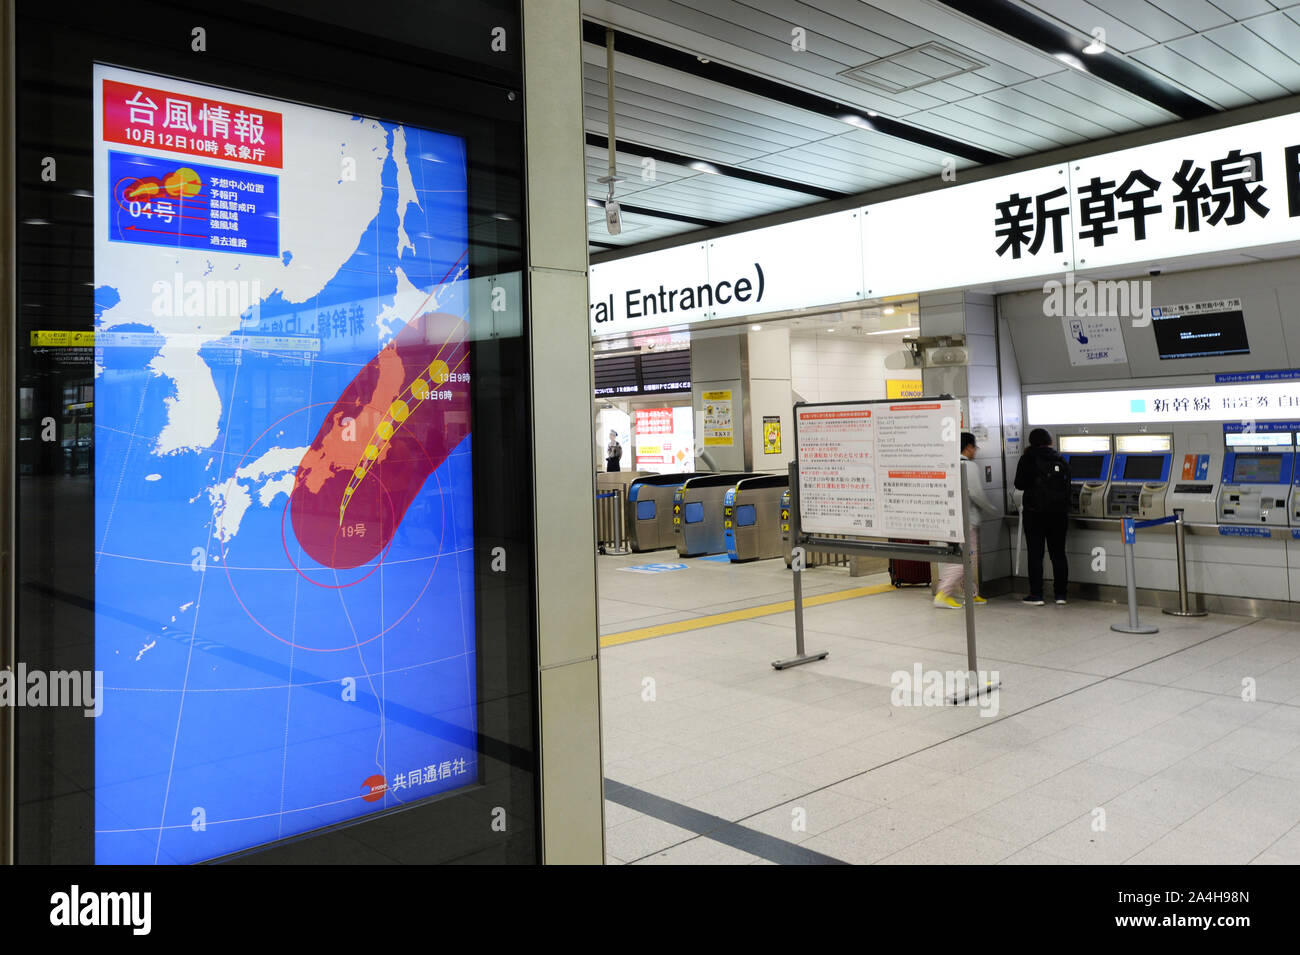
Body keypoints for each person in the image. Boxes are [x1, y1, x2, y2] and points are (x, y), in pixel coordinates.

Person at [934, 432, 1000, 609]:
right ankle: (943, 593)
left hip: (950, 519)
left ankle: (971, 593)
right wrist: (992, 510)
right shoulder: (968, 466)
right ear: (969, 447)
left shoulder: (947, 464)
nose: (975, 451)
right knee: (966, 559)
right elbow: (976, 493)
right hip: (967, 520)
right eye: (975, 448)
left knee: (962, 556)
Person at [1013, 427, 1071, 606]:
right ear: (1050, 441)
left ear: (1031, 441)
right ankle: (1061, 595)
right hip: (1059, 514)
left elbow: (1019, 484)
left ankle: (1036, 594)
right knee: (1058, 554)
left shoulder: (1028, 458)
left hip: (1035, 513)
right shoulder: (1060, 458)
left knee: (1035, 554)